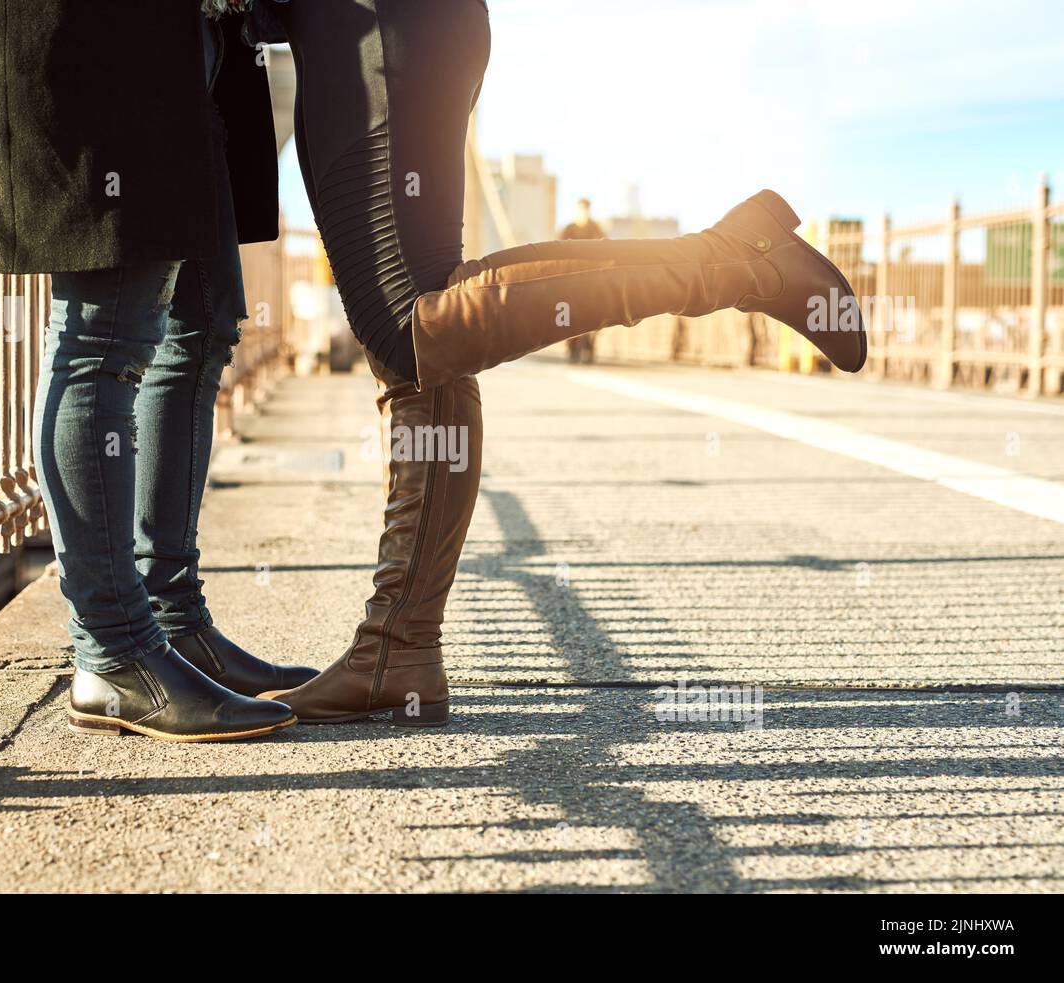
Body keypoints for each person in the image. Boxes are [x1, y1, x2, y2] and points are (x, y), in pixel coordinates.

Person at [239, 0, 865, 726]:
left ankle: (734, 262)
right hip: (381, 30)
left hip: (375, 26)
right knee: (420, 344)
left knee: (409, 325)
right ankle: (398, 649)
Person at [0, 2, 316, 741]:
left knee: (201, 326)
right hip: (102, 42)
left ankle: (172, 619)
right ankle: (115, 652)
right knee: (104, 339)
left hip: (190, 41)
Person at [557, 199, 606, 364]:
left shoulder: (596, 229)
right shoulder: (568, 229)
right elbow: (557, 252)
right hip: (571, 279)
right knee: (567, 313)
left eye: (586, 209)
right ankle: (572, 347)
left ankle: (589, 347)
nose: (583, 212)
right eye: (581, 209)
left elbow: (605, 250)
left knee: (593, 313)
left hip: (591, 279)